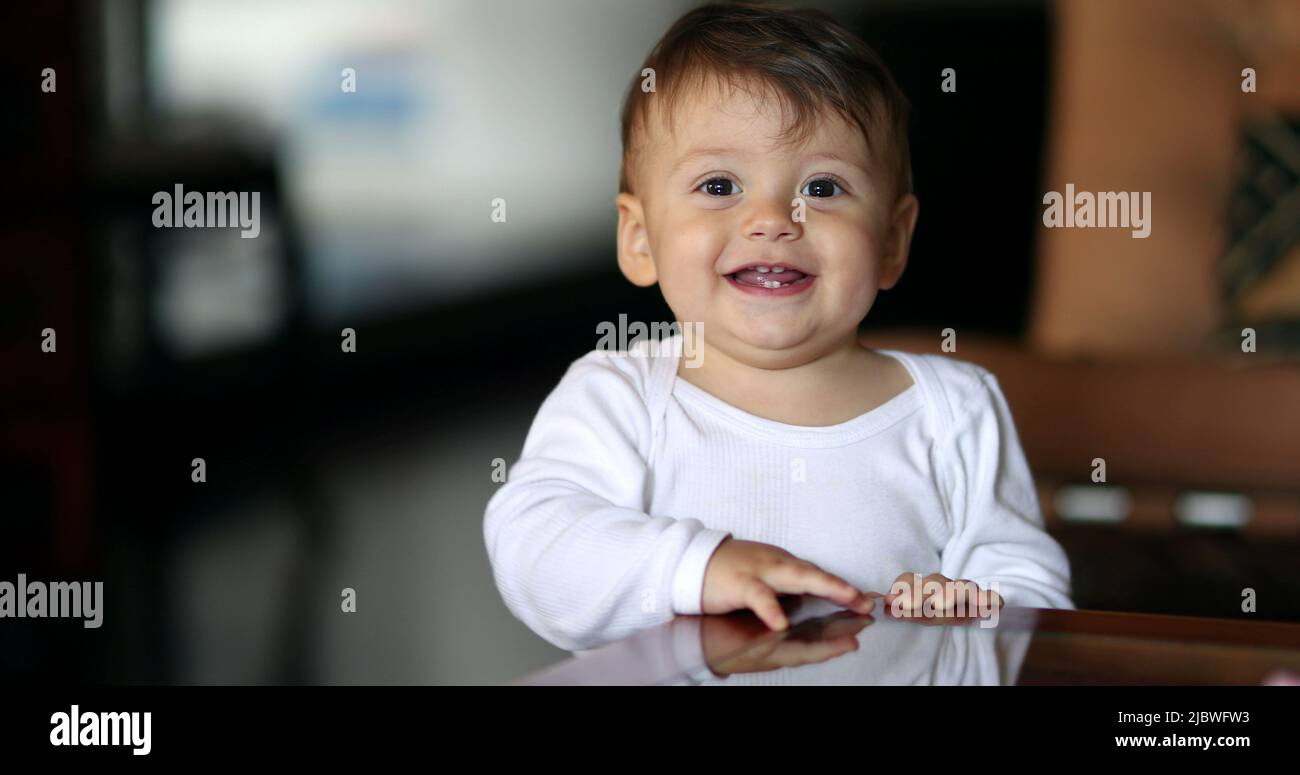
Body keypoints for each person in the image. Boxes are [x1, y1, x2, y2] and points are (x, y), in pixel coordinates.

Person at [483, 2, 1072, 652]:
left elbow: (1031, 584)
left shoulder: (955, 410)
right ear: (639, 238)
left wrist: (979, 603)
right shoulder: (618, 397)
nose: (772, 218)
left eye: (822, 188)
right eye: (718, 184)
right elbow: (535, 546)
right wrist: (695, 565)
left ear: (892, 241)